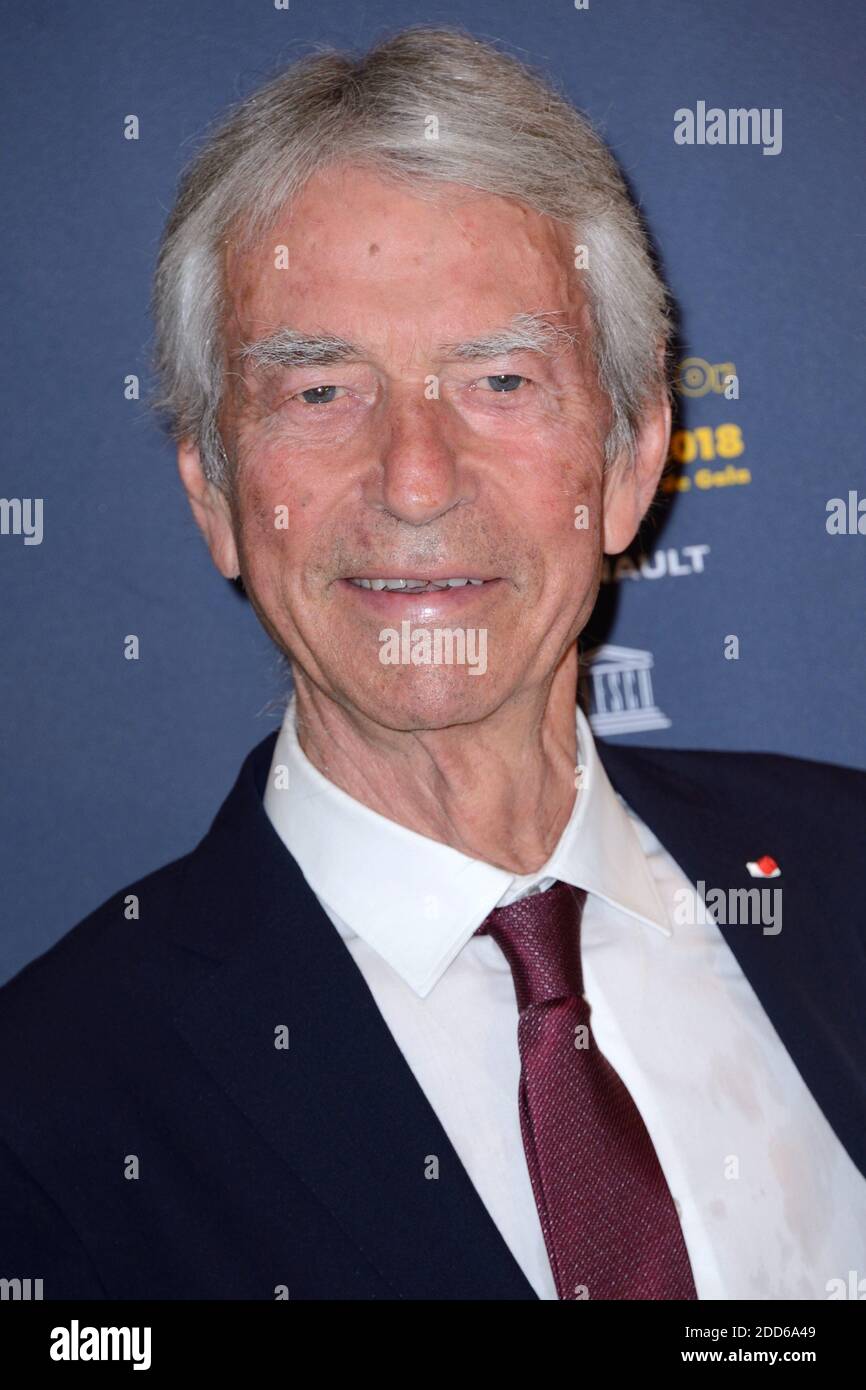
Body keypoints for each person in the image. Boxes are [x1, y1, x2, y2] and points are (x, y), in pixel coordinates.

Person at [1, 26, 864, 1302]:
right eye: (319, 393)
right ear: (215, 493)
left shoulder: (842, 868)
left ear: (631, 460)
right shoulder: (49, 1116)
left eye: (499, 380)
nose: (414, 479)